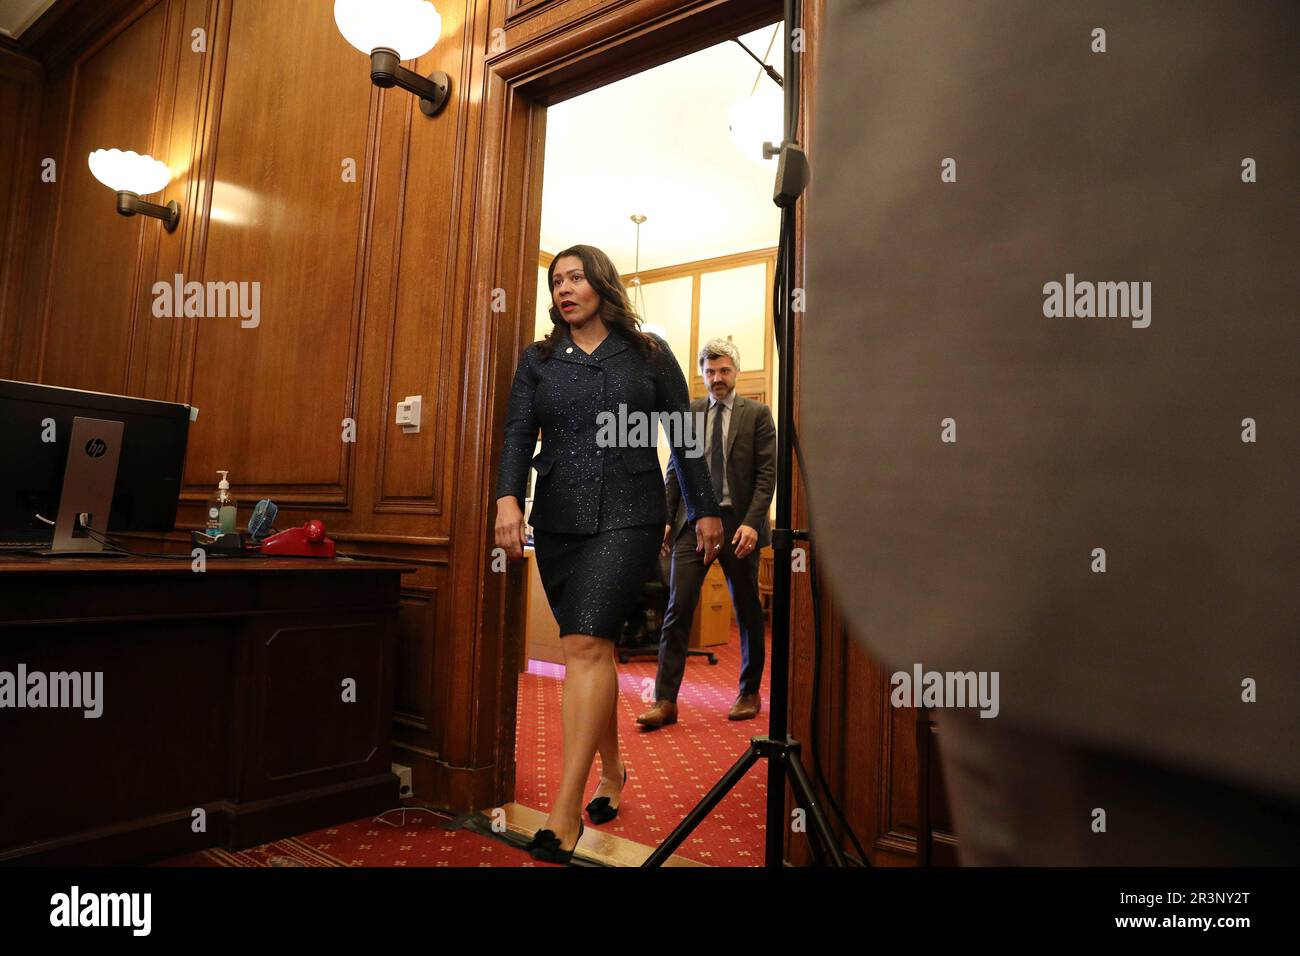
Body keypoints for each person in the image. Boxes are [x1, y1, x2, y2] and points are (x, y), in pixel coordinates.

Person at [494, 244, 723, 864]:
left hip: (630, 516)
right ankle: (613, 769)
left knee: (587, 645)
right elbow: (518, 432)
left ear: (602, 284)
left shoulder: (648, 353)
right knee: (588, 652)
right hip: (559, 520)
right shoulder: (539, 359)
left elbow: (683, 437)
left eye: (576, 278)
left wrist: (705, 509)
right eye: (556, 281)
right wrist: (507, 498)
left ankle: (564, 809)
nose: (564, 289)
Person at [638, 339, 776, 729]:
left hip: (738, 525)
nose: (717, 378)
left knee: (747, 611)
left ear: (736, 372)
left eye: (724, 371)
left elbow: (767, 476)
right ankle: (665, 700)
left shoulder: (758, 415)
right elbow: (674, 470)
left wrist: (752, 522)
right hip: (692, 524)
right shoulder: (691, 414)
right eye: (710, 372)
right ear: (702, 374)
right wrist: (666, 518)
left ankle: (749, 692)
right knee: (677, 609)